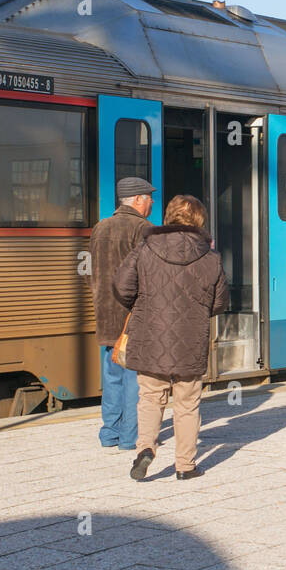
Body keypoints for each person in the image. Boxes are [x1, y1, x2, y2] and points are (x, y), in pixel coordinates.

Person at [114, 194, 228, 482]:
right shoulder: (211, 257)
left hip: (150, 337)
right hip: (190, 341)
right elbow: (220, 302)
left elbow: (122, 286)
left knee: (151, 398)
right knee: (187, 404)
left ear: (168, 216)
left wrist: (143, 306)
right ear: (200, 220)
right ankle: (185, 466)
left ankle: (145, 450)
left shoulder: (145, 248)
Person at [89, 176, 155, 451]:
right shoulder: (144, 229)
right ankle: (130, 437)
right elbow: (149, 276)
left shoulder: (100, 228)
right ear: (138, 199)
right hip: (133, 317)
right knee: (133, 379)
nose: (152, 201)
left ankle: (109, 434)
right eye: (149, 197)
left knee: (112, 376)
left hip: (105, 314)